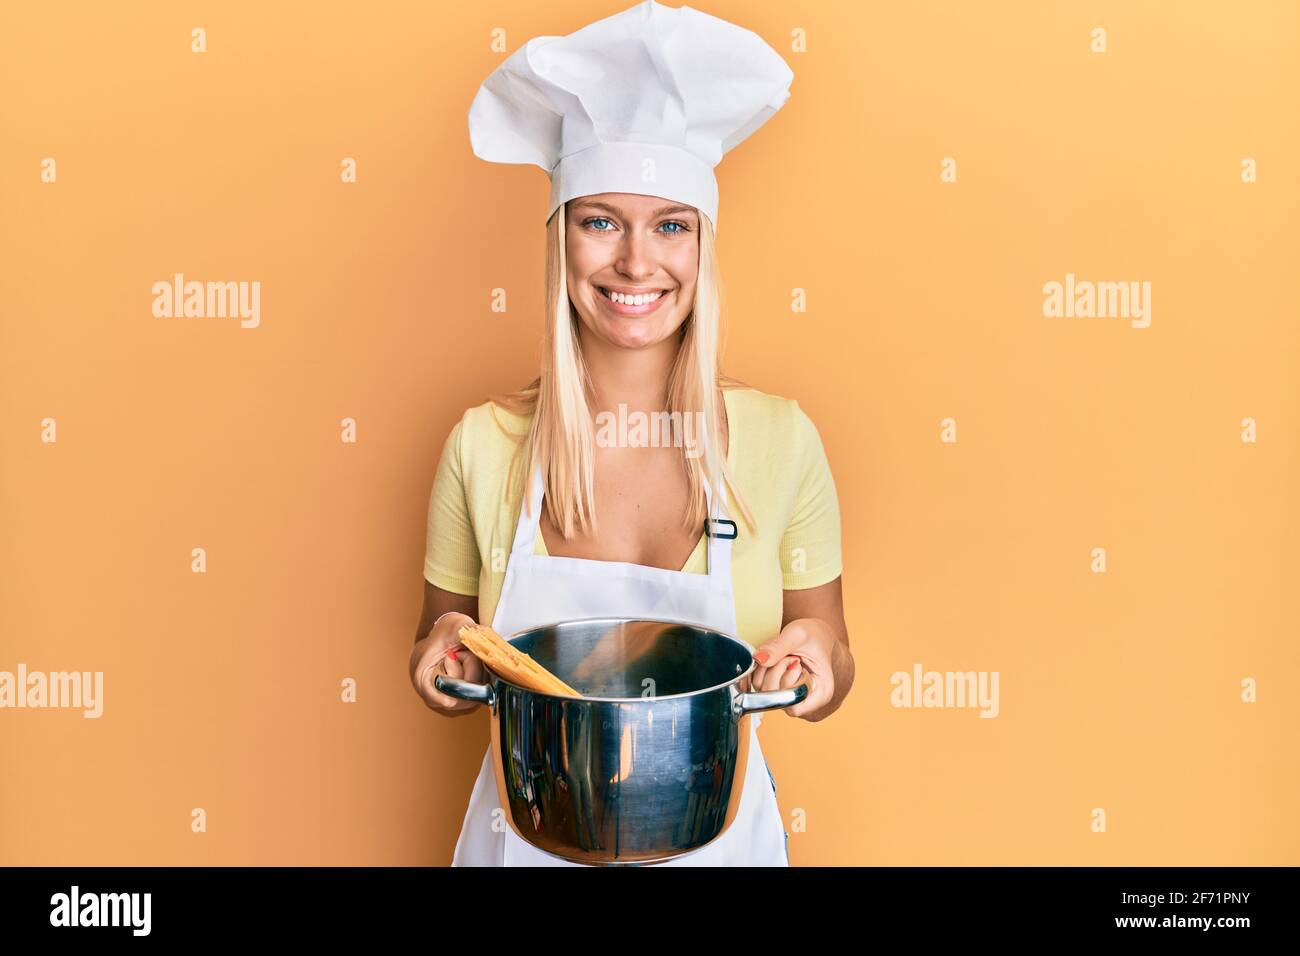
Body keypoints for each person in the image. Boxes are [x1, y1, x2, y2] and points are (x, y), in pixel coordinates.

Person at [409, 0, 855, 866]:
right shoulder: (484, 446)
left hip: (721, 842)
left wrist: (817, 666)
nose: (636, 264)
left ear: (702, 248)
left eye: (671, 226)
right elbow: (441, 636)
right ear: (561, 239)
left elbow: (831, 649)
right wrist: (438, 662)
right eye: (600, 220)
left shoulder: (780, 441)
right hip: (523, 843)